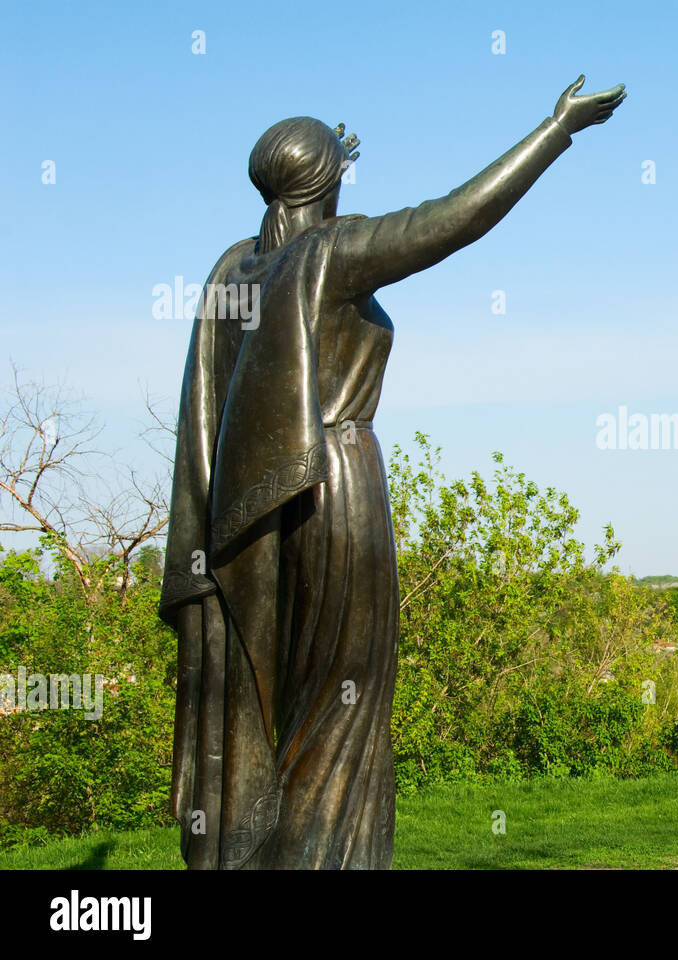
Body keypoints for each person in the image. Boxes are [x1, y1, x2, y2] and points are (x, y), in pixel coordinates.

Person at [160, 76, 626, 869]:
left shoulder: (234, 270)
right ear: (326, 182)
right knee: (345, 700)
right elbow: (452, 218)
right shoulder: (330, 255)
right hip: (335, 485)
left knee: (292, 701)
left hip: (259, 515)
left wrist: (326, 157)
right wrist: (555, 132)